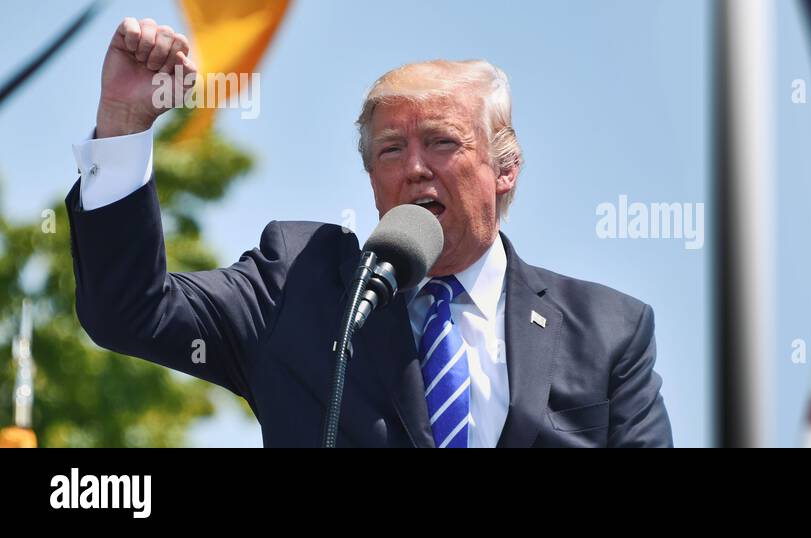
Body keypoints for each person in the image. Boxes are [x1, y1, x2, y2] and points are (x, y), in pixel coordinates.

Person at [67, 17, 673, 447]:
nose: (414, 168)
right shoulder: (298, 283)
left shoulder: (609, 330)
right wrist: (123, 126)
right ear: (372, 179)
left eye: (442, 142)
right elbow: (129, 312)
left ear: (505, 169)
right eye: (390, 149)